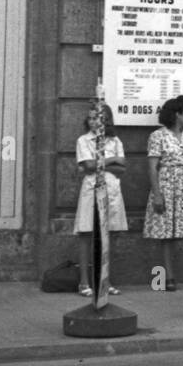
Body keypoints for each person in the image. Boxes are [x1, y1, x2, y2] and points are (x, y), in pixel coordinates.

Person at [145, 95, 183, 291]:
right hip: (167, 185)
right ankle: (165, 279)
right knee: (166, 234)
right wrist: (157, 194)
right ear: (177, 114)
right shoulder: (158, 136)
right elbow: (152, 167)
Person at [74, 103, 127, 297]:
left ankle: (104, 281)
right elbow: (87, 165)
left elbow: (123, 168)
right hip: (91, 188)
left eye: (98, 117)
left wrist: (100, 164)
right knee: (87, 232)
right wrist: (112, 160)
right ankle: (84, 282)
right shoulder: (83, 140)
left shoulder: (115, 141)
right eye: (90, 118)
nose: (94, 121)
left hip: (111, 188)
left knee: (107, 235)